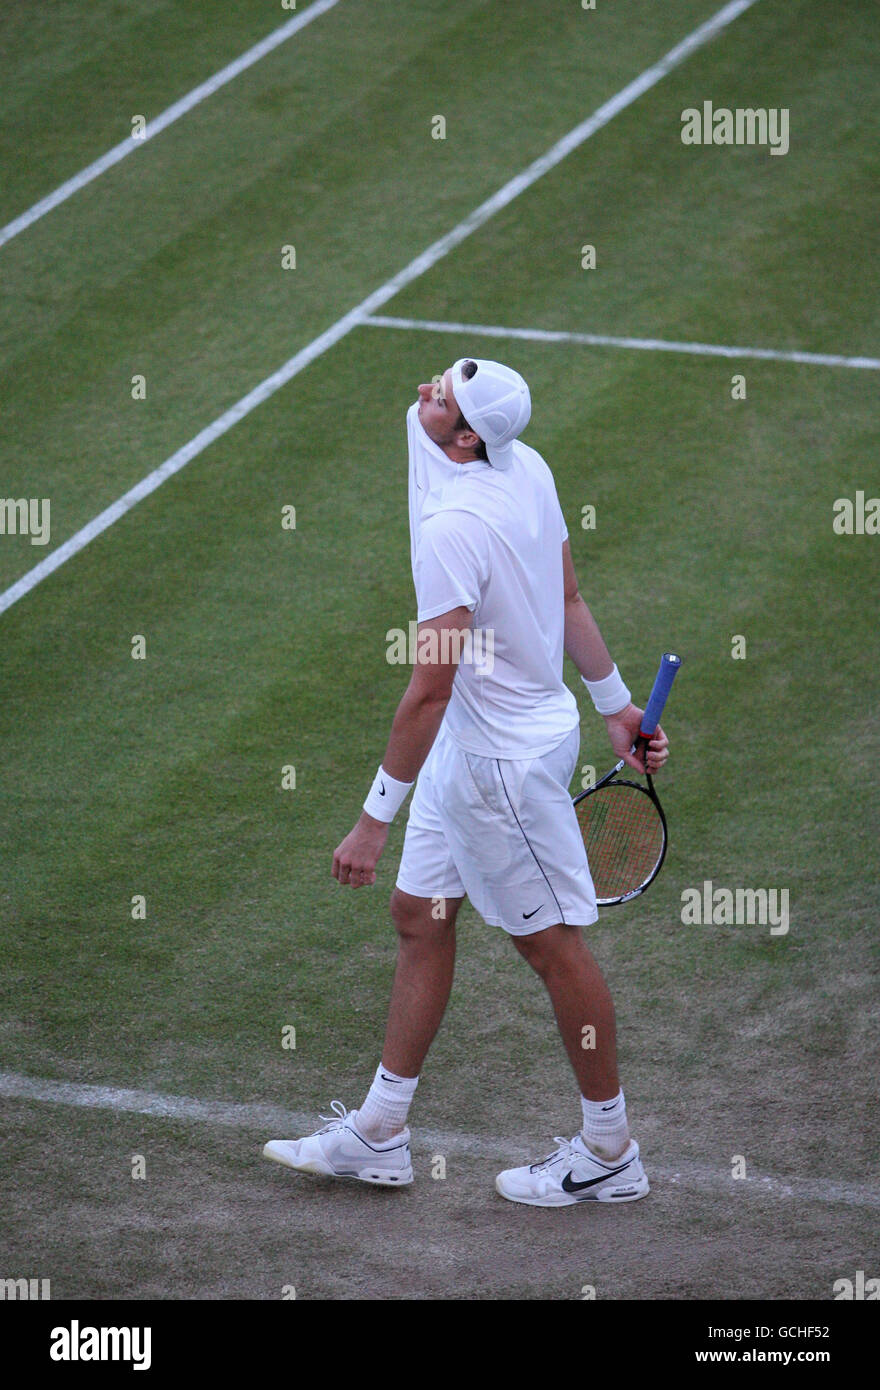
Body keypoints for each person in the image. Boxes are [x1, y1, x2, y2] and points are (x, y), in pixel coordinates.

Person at [263, 358, 669, 1206]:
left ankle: (609, 1151)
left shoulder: (458, 528)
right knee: (420, 916)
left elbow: (431, 685)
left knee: (550, 945)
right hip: (478, 746)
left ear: (468, 435)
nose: (423, 390)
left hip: (500, 768)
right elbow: (567, 594)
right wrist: (617, 706)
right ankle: (380, 1131)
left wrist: (375, 817)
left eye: (441, 393)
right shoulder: (518, 461)